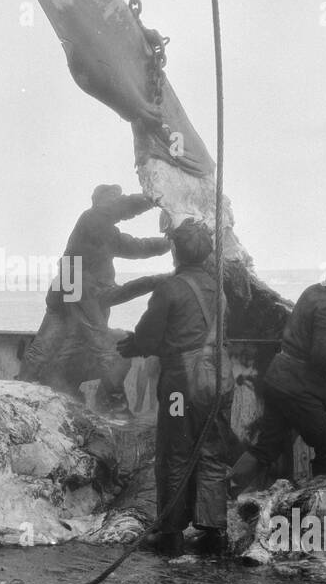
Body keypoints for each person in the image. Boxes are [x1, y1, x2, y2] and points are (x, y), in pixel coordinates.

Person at [116, 218, 234, 555]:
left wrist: (133, 346)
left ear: (175, 252)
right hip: (220, 380)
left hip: (183, 386)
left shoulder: (170, 288)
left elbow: (150, 336)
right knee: (211, 451)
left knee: (175, 451)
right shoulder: (218, 288)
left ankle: (171, 535)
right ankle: (213, 534)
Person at [18, 184, 171, 413]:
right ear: (102, 201)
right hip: (76, 288)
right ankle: (116, 404)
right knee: (101, 347)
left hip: (68, 291)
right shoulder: (93, 219)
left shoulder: (103, 236)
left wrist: (163, 261)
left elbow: (132, 253)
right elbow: (132, 242)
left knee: (44, 348)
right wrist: (153, 198)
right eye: (115, 198)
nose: (119, 202)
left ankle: (20, 390)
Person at [228, 257, 326, 493]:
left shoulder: (315, 292)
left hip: (279, 380)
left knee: (265, 447)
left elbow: (318, 332)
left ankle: (226, 491)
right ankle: (322, 503)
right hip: (298, 388)